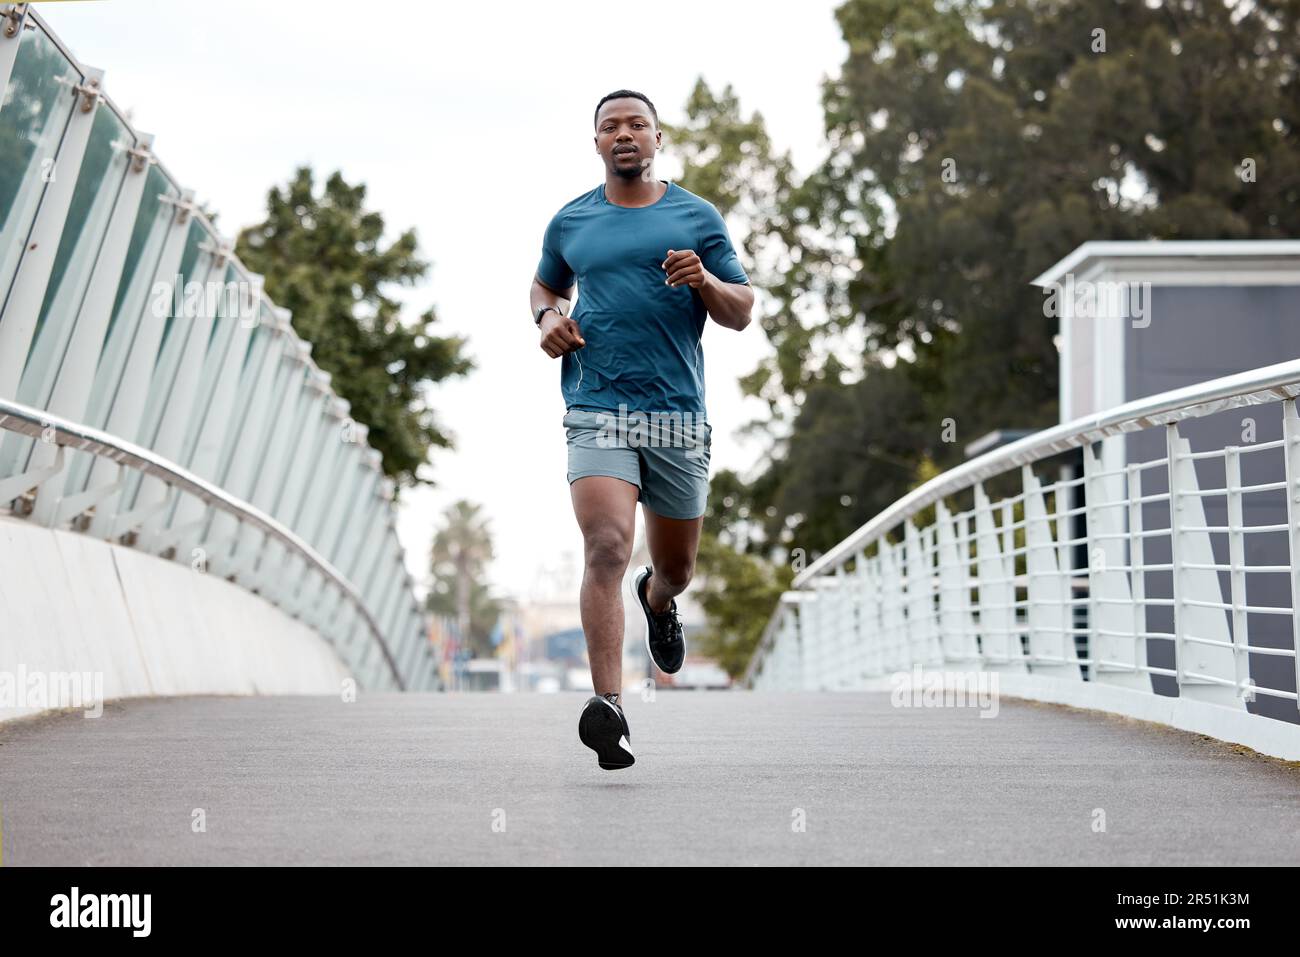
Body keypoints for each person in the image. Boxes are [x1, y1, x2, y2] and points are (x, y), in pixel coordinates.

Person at [529, 89, 754, 770]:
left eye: (636, 125)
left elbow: (742, 309)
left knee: (677, 567)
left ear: (657, 139)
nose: (623, 134)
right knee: (604, 544)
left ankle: (658, 599)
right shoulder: (571, 221)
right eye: (609, 127)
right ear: (596, 142)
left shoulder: (696, 216)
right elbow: (545, 288)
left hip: (677, 414)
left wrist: (705, 281)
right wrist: (546, 321)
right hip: (597, 404)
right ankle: (611, 708)